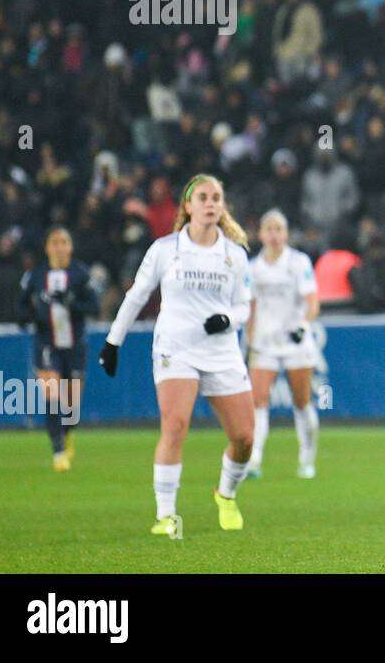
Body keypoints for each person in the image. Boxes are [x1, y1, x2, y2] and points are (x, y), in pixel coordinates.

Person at [99, 173, 255, 536]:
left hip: (221, 352)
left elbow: (244, 307)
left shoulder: (234, 256)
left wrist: (227, 319)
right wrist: (112, 342)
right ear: (188, 206)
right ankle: (166, 514)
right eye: (203, 197)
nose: (211, 203)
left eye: (217, 197)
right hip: (176, 348)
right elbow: (137, 295)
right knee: (175, 426)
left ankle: (226, 493)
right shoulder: (165, 249)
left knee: (245, 438)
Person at [245, 209, 321, 479]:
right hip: (264, 342)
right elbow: (250, 308)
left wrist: (303, 326)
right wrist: (249, 341)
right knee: (258, 401)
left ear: (286, 234)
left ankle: (306, 458)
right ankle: (254, 459)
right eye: (270, 229)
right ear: (261, 234)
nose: (275, 235)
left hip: (295, 342)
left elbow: (312, 303)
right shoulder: (253, 268)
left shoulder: (299, 263)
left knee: (302, 402)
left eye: (279, 229)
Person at [18, 227, 99, 471]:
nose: (60, 247)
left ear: (71, 247)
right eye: (55, 242)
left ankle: (67, 433)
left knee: (71, 405)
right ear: (47, 247)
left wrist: (72, 302)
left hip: (75, 345)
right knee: (52, 394)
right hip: (46, 342)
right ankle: (58, 451)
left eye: (64, 242)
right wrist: (32, 313)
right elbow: (21, 308)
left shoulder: (81, 274)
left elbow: (93, 307)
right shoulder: (35, 275)